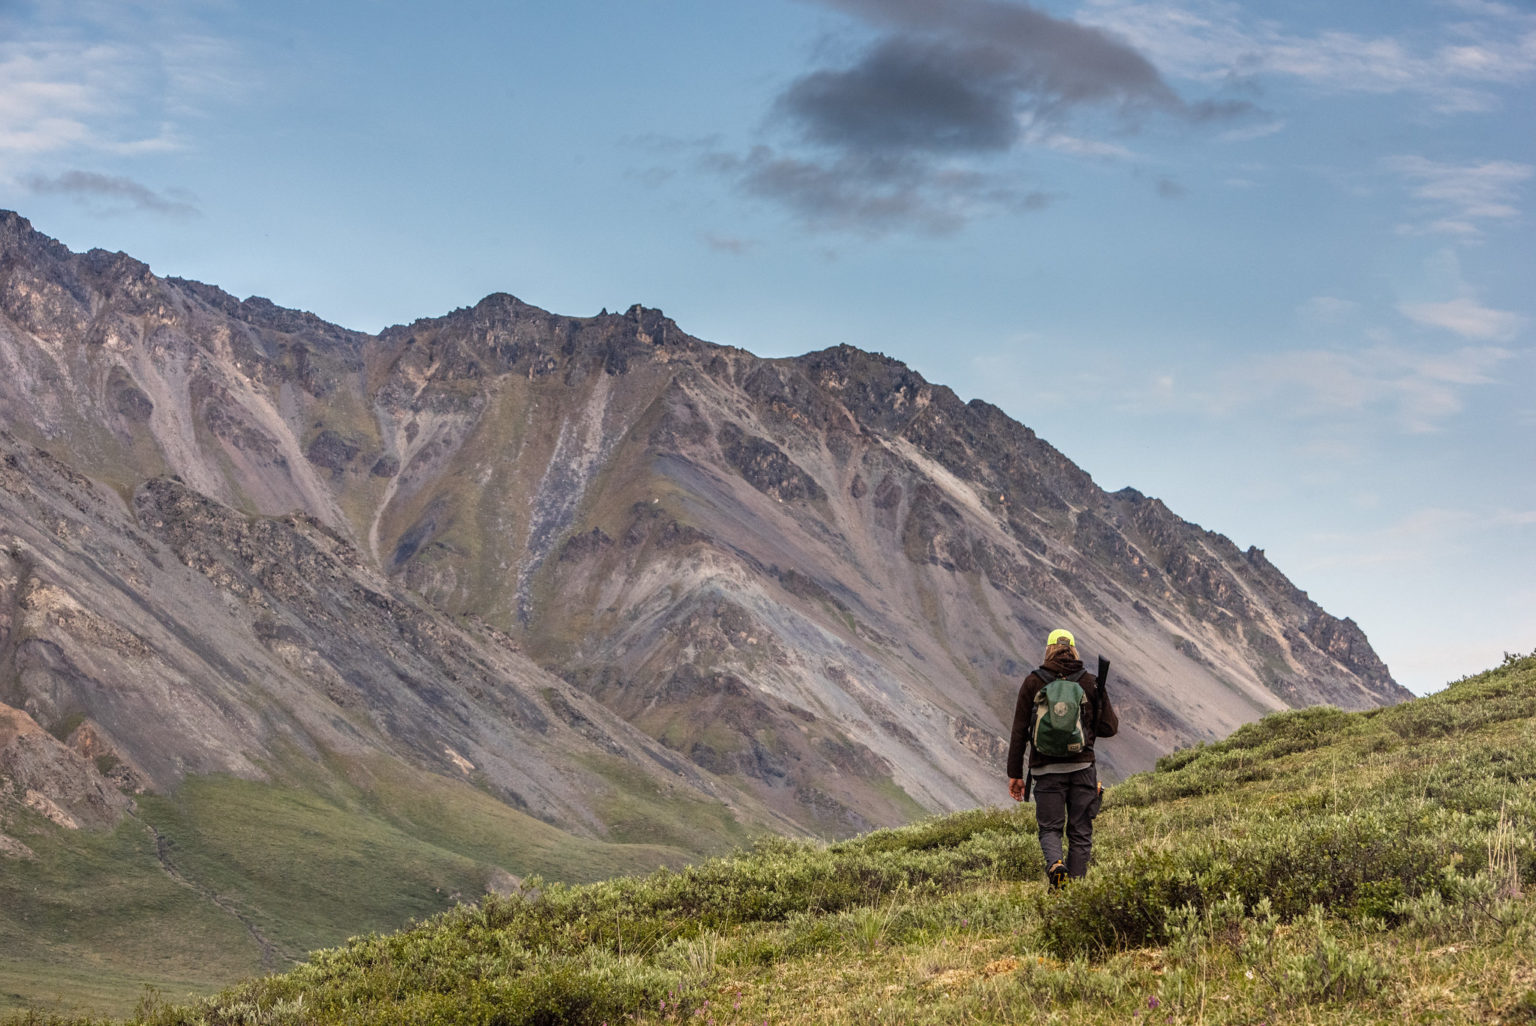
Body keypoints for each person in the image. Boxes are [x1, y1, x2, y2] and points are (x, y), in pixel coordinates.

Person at [1006, 628, 1118, 888]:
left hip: (1045, 771)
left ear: (1048, 650)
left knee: (1050, 829)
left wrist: (1015, 775)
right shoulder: (1089, 682)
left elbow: (1018, 732)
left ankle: (1056, 865)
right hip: (1082, 768)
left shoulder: (1033, 682)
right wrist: (1095, 708)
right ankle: (1073, 893)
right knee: (1080, 832)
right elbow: (1110, 728)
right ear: (1075, 650)